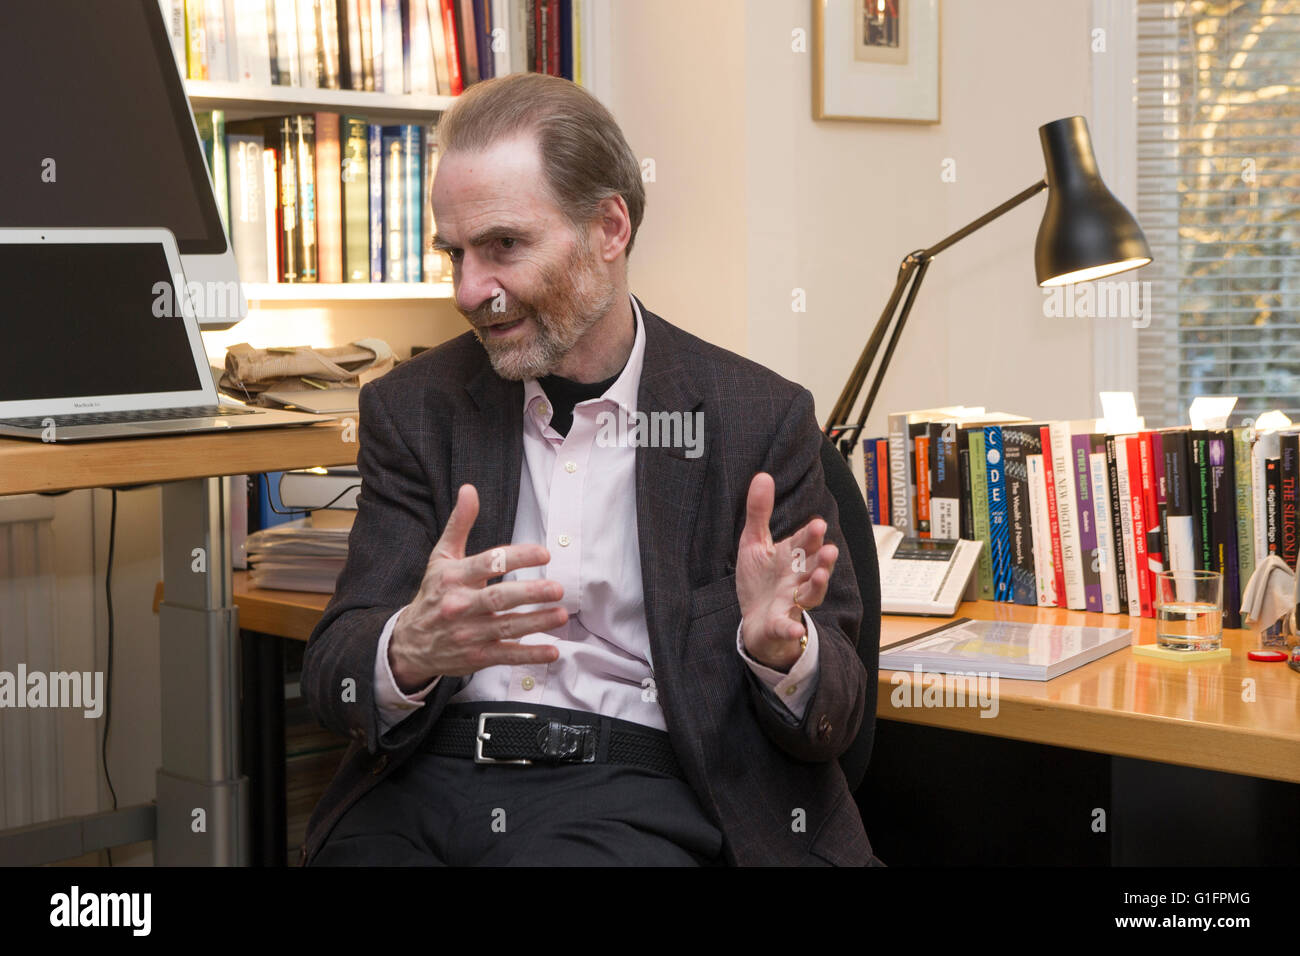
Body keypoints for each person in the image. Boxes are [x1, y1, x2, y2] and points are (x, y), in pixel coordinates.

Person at [300, 72, 878, 866]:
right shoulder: (414, 411)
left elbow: (839, 718)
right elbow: (333, 673)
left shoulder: (755, 418)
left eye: (504, 246)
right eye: (455, 254)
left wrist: (781, 650)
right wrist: (409, 647)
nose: (471, 291)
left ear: (610, 227)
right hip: (425, 780)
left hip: (636, 785)